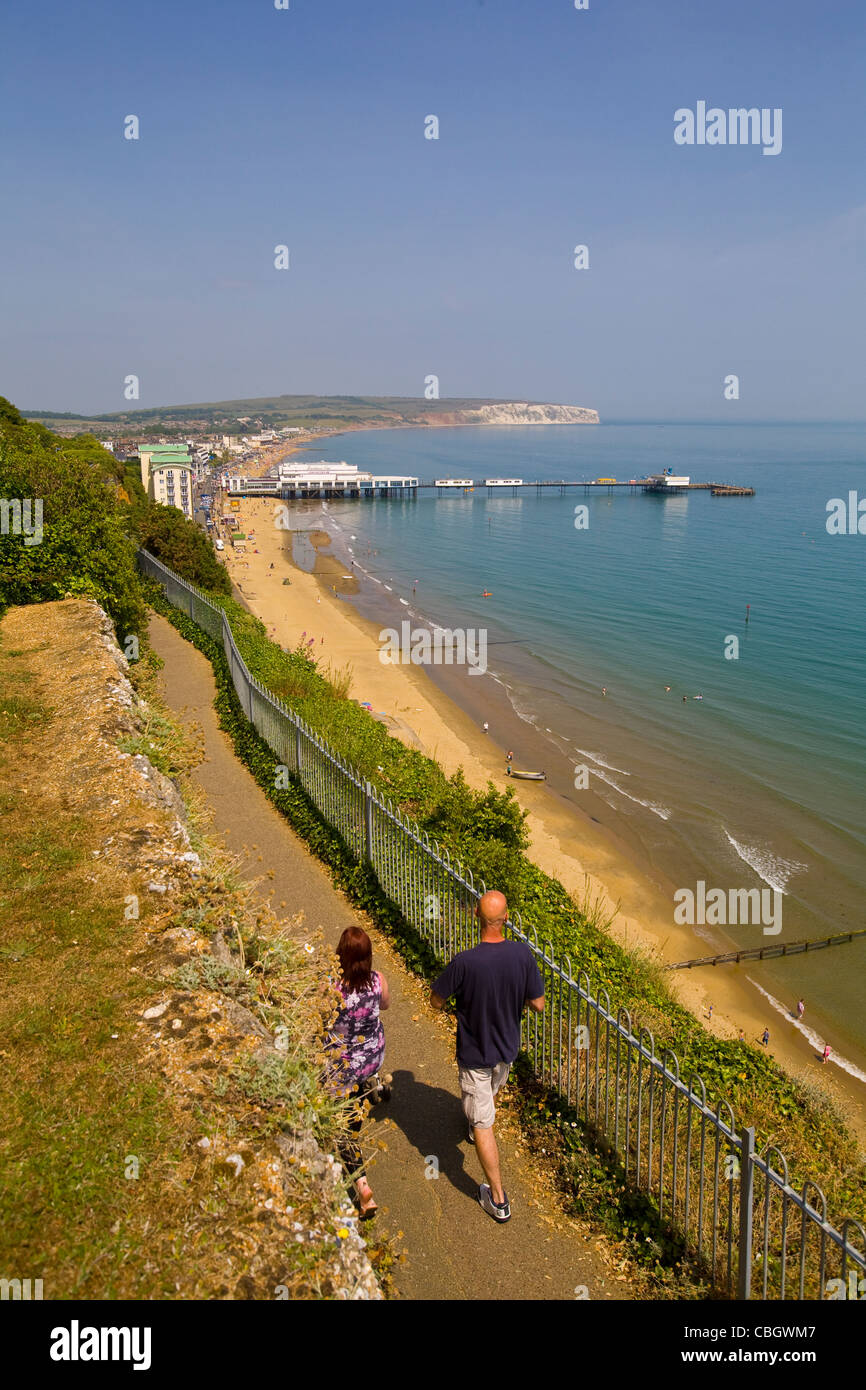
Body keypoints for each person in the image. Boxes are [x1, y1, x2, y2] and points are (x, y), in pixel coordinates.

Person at [430, 890, 544, 1223]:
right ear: (506, 918)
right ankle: (474, 1123)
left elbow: (437, 1000)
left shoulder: (464, 962)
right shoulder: (523, 956)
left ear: (475, 916)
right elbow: (538, 1004)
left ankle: (498, 1198)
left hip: (475, 1052)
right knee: (485, 1101)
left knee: (483, 1122)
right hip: (506, 1050)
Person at [326, 926, 390, 1218]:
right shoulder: (377, 981)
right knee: (364, 1087)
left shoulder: (332, 986)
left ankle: (363, 1188)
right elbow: (385, 1005)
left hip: (341, 1069)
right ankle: (374, 1087)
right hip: (372, 1057)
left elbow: (321, 1017)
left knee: (345, 1130)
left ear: (341, 955)